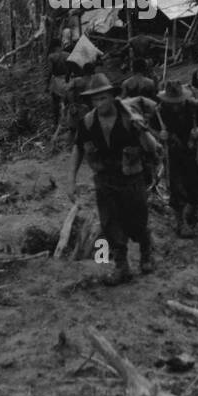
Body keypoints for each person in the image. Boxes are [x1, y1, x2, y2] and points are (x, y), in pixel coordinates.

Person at [68, 74, 158, 285]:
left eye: (104, 98)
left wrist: (142, 131)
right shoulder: (88, 122)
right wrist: (70, 180)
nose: (100, 104)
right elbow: (78, 148)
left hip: (131, 177)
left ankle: (146, 255)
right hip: (105, 178)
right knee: (109, 222)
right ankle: (121, 265)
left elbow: (151, 148)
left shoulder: (129, 118)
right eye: (96, 100)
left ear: (112, 97)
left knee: (137, 221)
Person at [157, 79, 198, 238]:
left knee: (196, 187)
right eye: (171, 102)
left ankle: (192, 212)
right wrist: (160, 135)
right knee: (176, 188)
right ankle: (180, 223)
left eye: (178, 102)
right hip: (173, 153)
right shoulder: (161, 109)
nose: (175, 105)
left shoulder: (194, 105)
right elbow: (151, 126)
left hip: (193, 152)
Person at [47, 46, 70, 132]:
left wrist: (47, 83)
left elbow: (50, 71)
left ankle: (56, 123)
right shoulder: (67, 54)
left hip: (56, 81)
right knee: (67, 102)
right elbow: (70, 68)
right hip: (67, 80)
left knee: (55, 103)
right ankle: (67, 123)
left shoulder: (51, 56)